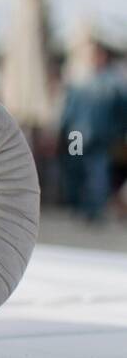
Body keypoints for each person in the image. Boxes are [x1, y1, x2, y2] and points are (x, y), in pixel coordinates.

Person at [60, 40, 127, 222]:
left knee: (96, 171)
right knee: (79, 169)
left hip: (97, 134)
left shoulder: (112, 82)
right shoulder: (83, 78)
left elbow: (122, 110)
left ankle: (92, 209)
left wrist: (119, 131)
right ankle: (84, 207)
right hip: (78, 134)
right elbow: (69, 108)